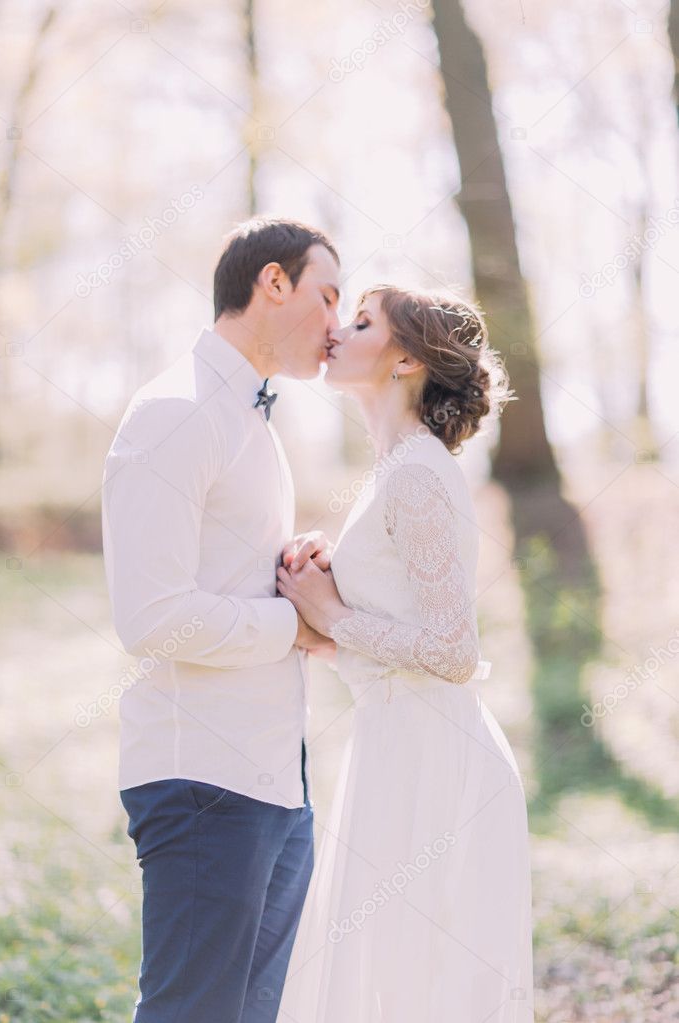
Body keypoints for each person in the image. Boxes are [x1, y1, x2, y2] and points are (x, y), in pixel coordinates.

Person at [101, 217, 341, 1022]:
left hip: (277, 779)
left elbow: (230, 575)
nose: (338, 324)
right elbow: (152, 616)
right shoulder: (173, 410)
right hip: (204, 780)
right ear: (272, 283)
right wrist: (293, 628)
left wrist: (298, 565)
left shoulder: (256, 425)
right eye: (328, 294)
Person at [277, 285, 534, 1022]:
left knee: (410, 979)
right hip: (396, 741)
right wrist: (323, 614)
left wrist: (330, 612)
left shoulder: (417, 472)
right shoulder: (396, 470)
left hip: (432, 753)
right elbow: (397, 633)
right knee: (389, 977)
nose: (337, 331)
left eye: (361, 323)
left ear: (407, 359)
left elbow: (454, 650)